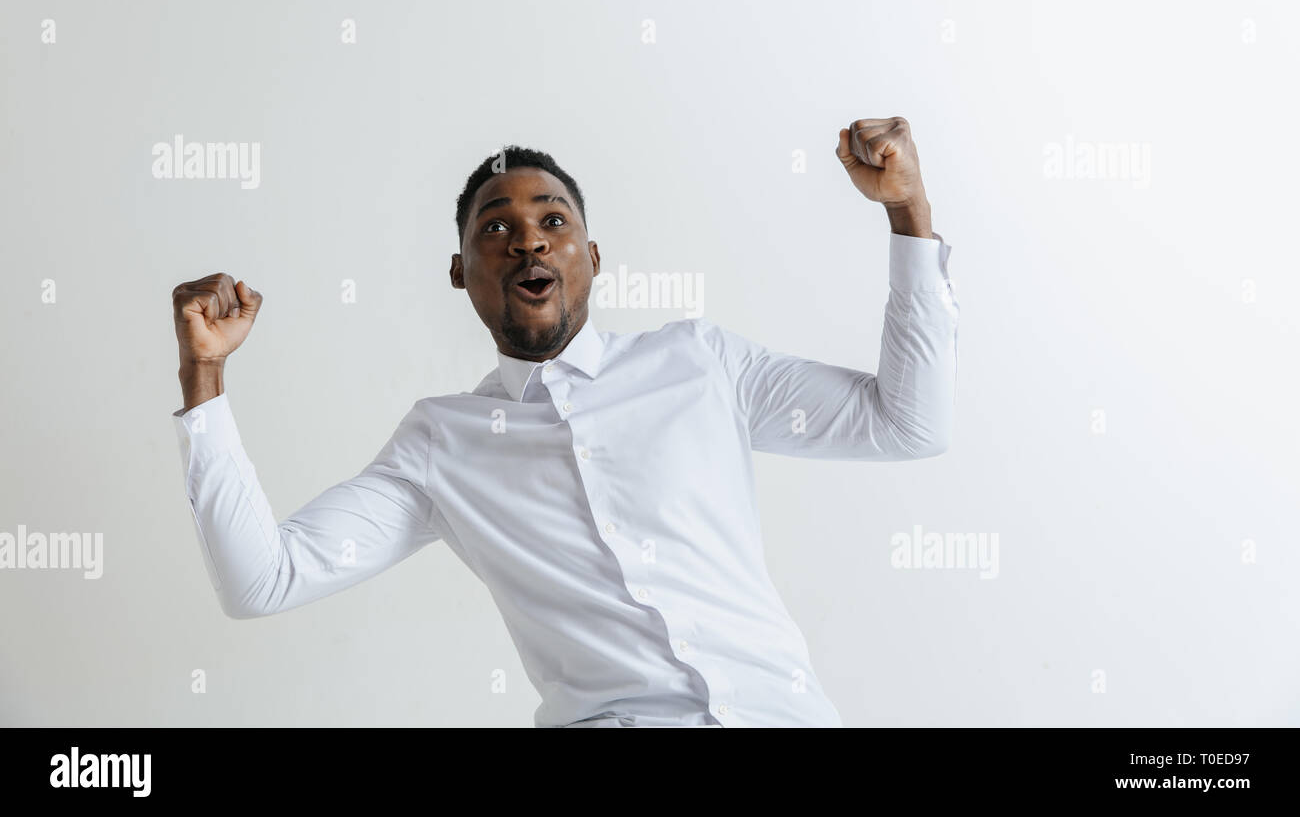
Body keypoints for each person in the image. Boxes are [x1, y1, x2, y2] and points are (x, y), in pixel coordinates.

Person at [169, 117, 959, 727]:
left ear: (592, 256)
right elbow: (260, 580)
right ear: (458, 273)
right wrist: (203, 375)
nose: (527, 242)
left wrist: (908, 211)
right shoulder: (441, 445)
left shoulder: (700, 364)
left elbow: (907, 423)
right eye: (495, 228)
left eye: (553, 221)